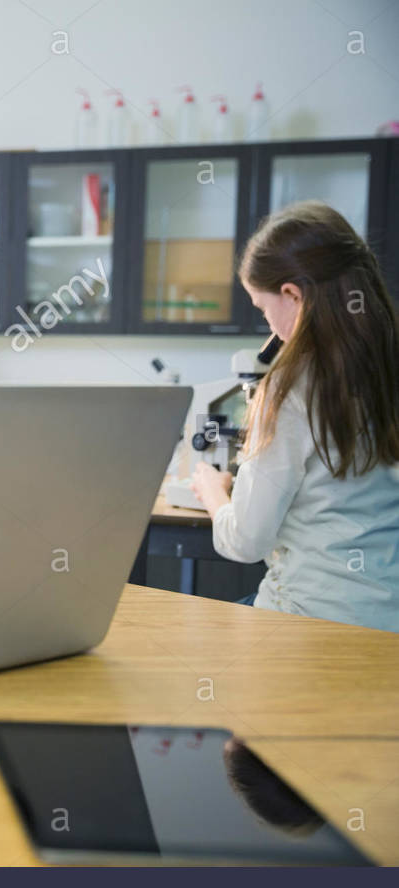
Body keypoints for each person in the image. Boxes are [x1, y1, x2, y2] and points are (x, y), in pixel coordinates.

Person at [191, 201, 399, 632]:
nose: (269, 328)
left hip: (307, 620)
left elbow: (246, 541)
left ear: (292, 295)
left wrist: (215, 494)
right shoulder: (386, 364)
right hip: (386, 622)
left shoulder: (289, 387)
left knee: (194, 636)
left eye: (263, 309)